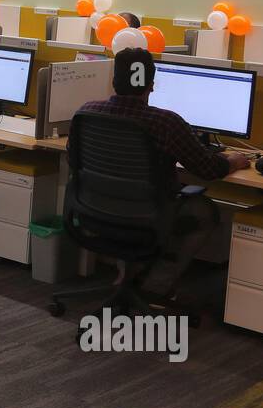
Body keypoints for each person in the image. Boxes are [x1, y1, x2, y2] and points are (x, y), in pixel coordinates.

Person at [79, 47, 250, 297]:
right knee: (205, 211)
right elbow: (208, 169)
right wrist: (234, 160)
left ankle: (128, 274)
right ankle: (155, 286)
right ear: (151, 84)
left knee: (132, 203)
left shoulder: (87, 112)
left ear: (113, 80)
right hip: (148, 214)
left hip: (96, 208)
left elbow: (75, 155)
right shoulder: (165, 122)